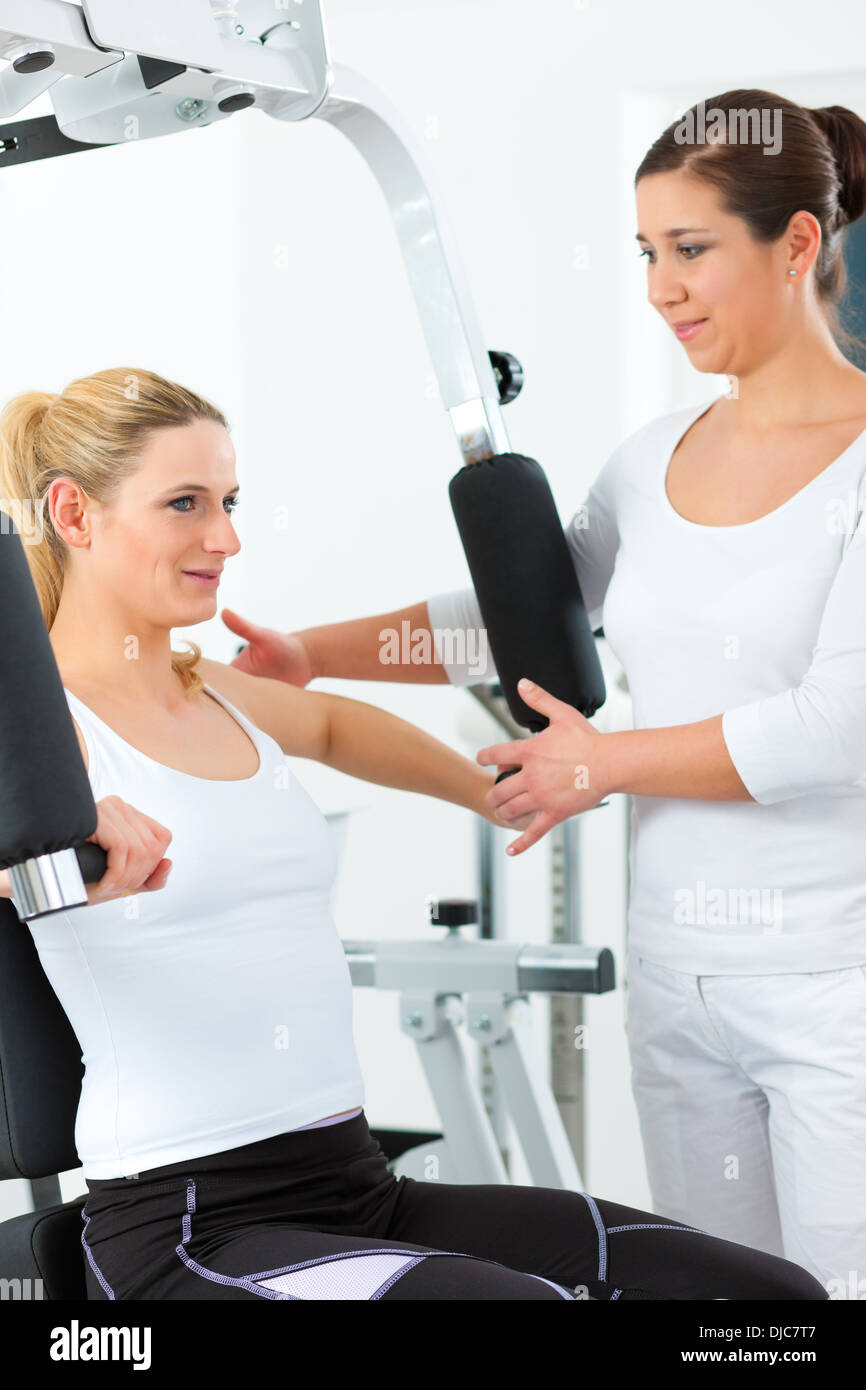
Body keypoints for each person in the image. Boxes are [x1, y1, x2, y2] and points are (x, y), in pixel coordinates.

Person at [220, 88, 866, 1299]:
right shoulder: (650, 457)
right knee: (724, 1306)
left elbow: (835, 729)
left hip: (836, 980)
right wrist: (316, 652)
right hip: (680, 974)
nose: (659, 288)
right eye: (643, 254)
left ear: (793, 246)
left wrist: (602, 763)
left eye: (689, 251)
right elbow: (521, 625)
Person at [0, 366, 824, 1301]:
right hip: (187, 1227)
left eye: (229, 502)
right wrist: (55, 834)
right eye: (185, 505)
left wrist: (495, 790)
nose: (225, 538)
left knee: (763, 1305)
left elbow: (338, 728)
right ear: (72, 514)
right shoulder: (41, 733)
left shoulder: (212, 689)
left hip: (355, 1192)